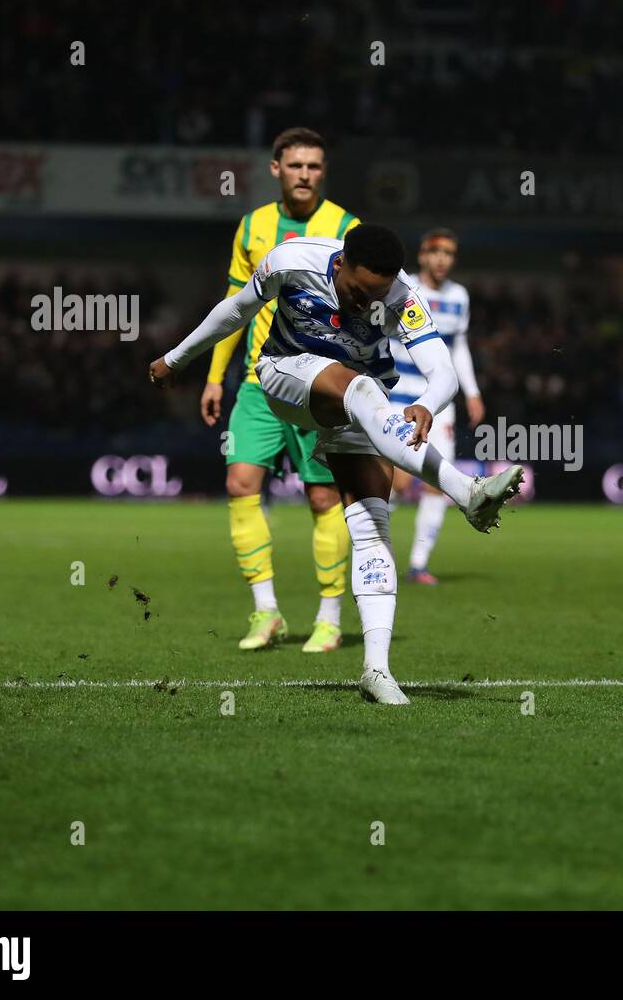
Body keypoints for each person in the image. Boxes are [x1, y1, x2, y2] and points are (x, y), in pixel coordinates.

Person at [150, 225, 522, 705]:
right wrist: (177, 359)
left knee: (372, 524)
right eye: (356, 291)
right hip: (285, 373)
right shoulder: (292, 260)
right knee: (364, 389)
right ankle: (466, 491)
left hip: (355, 400)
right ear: (341, 262)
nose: (363, 303)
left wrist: (428, 403)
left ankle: (377, 669)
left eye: (376, 296)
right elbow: (238, 309)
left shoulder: (402, 296)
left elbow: (443, 370)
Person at [201, 127, 358, 654]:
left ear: (323, 171)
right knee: (241, 482)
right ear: (276, 169)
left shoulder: (345, 227)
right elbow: (234, 304)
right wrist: (212, 376)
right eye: (295, 166)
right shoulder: (253, 226)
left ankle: (329, 617)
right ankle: (266, 611)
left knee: (321, 497)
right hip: (256, 380)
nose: (305, 175)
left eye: (314, 166)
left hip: (319, 386)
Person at [388, 228, 485, 583]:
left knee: (435, 484)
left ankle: (418, 564)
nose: (443, 259)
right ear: (423, 255)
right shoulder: (402, 288)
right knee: (396, 484)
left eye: (450, 253)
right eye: (436, 251)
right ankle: (375, 555)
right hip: (399, 398)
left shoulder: (459, 296)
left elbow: (458, 347)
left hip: (440, 403)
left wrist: (471, 391)